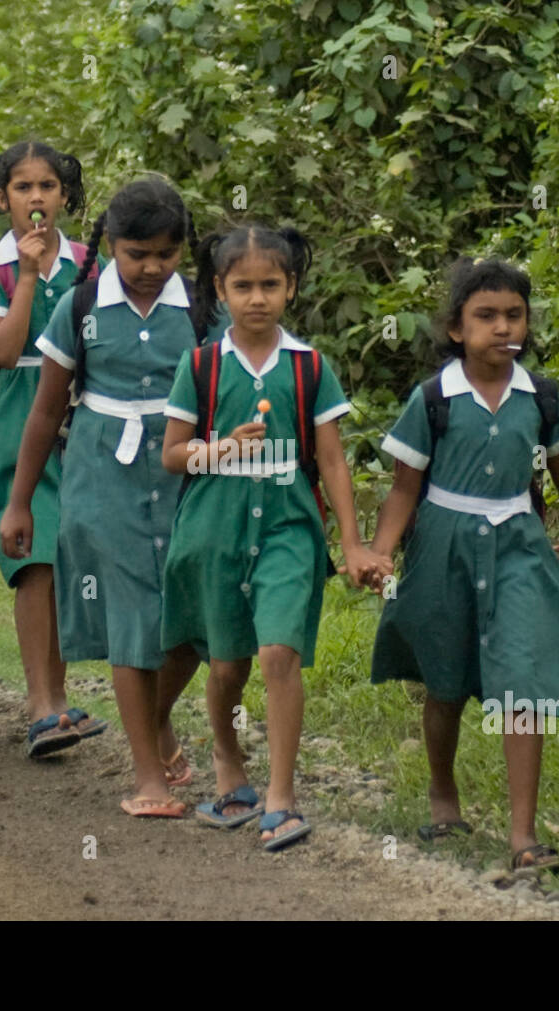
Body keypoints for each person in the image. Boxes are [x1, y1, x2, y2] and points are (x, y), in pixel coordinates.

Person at [0, 178, 226, 816]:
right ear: (110, 246)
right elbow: (44, 412)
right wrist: (19, 503)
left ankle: (154, 718)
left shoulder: (207, 312)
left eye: (165, 253)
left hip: (189, 471)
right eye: (136, 254)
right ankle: (148, 778)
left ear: (184, 248)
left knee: (190, 616)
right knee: (130, 616)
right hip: (102, 475)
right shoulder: (81, 306)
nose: (151, 268)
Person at [160, 224, 386, 850]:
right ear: (219, 289)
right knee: (227, 664)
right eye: (242, 286)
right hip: (213, 529)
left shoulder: (311, 367)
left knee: (278, 654)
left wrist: (353, 543)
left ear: (290, 288)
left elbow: (333, 461)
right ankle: (228, 766)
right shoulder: (200, 365)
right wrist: (220, 448)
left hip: (289, 525)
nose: (256, 297)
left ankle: (282, 797)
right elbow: (173, 456)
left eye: (270, 285)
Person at [368, 256, 559, 871]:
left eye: (513, 315)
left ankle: (523, 836)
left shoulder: (540, 398)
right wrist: (383, 551)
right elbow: (404, 489)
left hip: (519, 540)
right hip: (442, 545)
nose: (501, 328)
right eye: (485, 316)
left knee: (523, 678)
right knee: (445, 679)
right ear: (457, 329)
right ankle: (444, 796)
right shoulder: (434, 398)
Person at [0, 140, 107, 756]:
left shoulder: (88, 263)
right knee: (35, 554)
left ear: (64, 196)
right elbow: (2, 350)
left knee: (68, 554)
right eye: (22, 189)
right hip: (21, 408)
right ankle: (40, 703)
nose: (36, 199)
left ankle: (60, 696)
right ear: (2, 200)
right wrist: (26, 275)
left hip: (79, 414)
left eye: (47, 187)